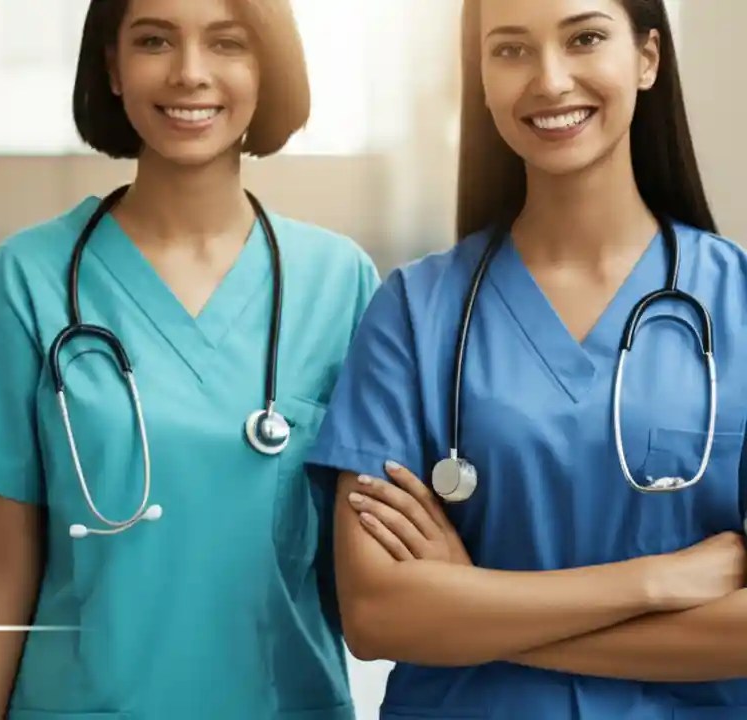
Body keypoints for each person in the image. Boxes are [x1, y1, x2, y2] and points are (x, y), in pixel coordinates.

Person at [0, 0, 379, 718]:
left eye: (227, 43)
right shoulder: (29, 279)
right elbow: (1, 561)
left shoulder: (338, 282)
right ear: (113, 66)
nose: (190, 74)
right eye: (155, 40)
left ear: (268, 65)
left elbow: (369, 572)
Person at [308, 0, 747, 717]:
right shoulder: (414, 313)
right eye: (510, 51)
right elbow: (378, 615)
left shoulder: (739, 305)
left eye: (585, 39)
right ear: (480, 80)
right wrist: (656, 582)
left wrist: (472, 608)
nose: (549, 80)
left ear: (647, 58)